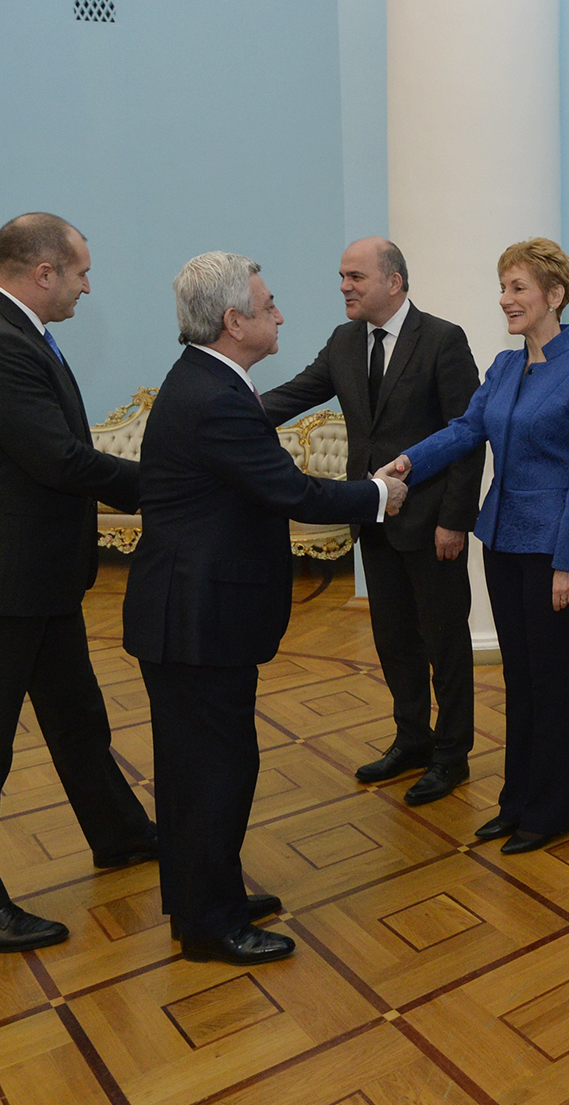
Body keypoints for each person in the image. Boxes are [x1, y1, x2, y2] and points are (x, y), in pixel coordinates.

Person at [123, 253, 402, 965]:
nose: (280, 314)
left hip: (194, 613)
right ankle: (211, 924)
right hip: (195, 619)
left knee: (205, 770)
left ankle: (205, 896)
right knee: (212, 773)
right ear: (233, 320)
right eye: (269, 303)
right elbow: (291, 492)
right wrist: (376, 494)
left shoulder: (209, 382)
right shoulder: (216, 395)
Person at [0, 212, 157, 953]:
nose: (90, 286)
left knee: (78, 719)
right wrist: (169, 484)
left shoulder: (14, 331)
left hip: (38, 576)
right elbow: (59, 460)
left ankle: (119, 834)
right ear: (44, 272)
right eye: (82, 271)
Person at [383, 238, 569, 852]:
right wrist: (408, 460)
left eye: (518, 288)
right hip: (503, 542)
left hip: (549, 554)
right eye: (503, 287)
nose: (505, 299)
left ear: (555, 295)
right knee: (519, 678)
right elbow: (465, 429)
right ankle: (517, 801)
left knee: (550, 681)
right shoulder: (506, 367)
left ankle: (554, 807)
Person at [263, 238, 483, 806]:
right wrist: (222, 406)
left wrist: (455, 520)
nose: (345, 286)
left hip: (433, 523)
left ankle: (451, 755)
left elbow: (469, 436)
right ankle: (411, 739)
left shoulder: (442, 339)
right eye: (341, 276)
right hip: (374, 518)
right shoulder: (343, 341)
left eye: (356, 276)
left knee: (445, 642)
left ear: (395, 281)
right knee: (392, 638)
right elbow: (294, 395)